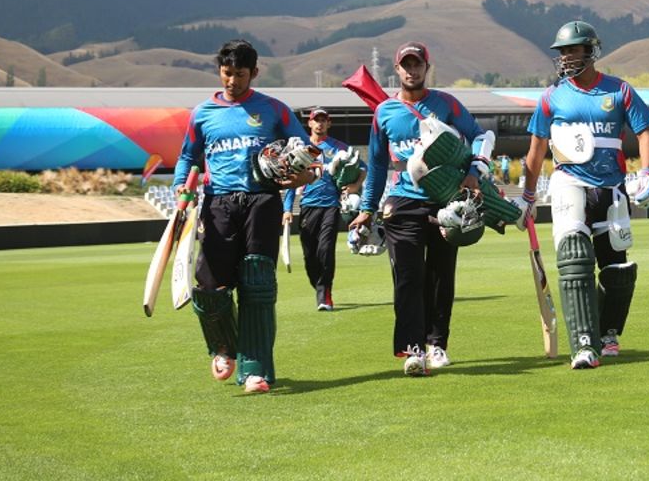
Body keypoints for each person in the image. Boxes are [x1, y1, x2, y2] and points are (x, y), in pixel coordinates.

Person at [172, 39, 316, 394]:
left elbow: (309, 152)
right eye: (227, 73)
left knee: (257, 283)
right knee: (208, 286)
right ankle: (224, 346)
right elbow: (188, 157)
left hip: (262, 201)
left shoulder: (274, 110)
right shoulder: (202, 113)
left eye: (240, 74)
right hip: (218, 203)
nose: (232, 81)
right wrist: (180, 187)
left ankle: (255, 370)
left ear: (254, 72)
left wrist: (304, 176)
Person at [519, 21, 649, 370]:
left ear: (590, 51)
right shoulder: (551, 96)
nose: (566, 57)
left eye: (572, 50)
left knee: (617, 270)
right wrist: (528, 195)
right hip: (569, 183)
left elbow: (644, 132)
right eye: (562, 51)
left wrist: (646, 172)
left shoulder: (619, 90)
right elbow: (536, 150)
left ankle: (607, 333)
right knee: (575, 261)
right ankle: (583, 344)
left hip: (611, 189)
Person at [349, 41, 492, 376]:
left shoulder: (446, 103)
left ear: (427, 67)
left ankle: (437, 343)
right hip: (402, 201)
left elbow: (478, 136)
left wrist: (474, 171)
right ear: (397, 69)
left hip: (445, 199)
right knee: (407, 277)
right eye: (406, 65)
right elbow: (378, 164)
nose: (412, 70)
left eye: (418, 64)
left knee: (441, 275)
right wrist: (367, 208)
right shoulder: (384, 112)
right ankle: (413, 349)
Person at [282, 108, 366, 311]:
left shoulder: (339, 147)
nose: (319, 123)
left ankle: (325, 293)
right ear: (309, 123)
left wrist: (355, 185)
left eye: (323, 120)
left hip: (331, 205)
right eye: (316, 120)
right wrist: (287, 208)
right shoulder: (303, 148)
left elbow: (363, 167)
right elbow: (292, 177)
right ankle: (319, 286)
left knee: (326, 249)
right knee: (310, 255)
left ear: (329, 123)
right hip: (307, 205)